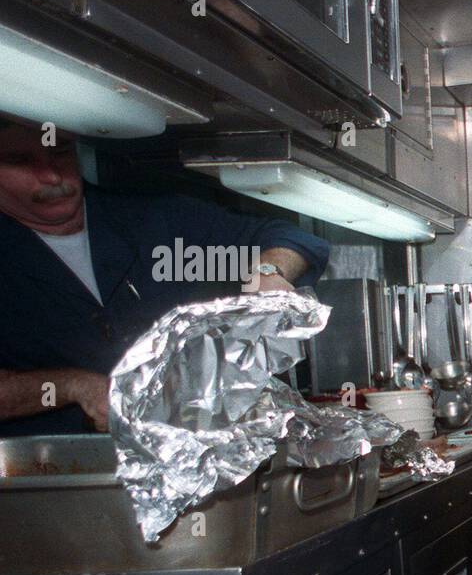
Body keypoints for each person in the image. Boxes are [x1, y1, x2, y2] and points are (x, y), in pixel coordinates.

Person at [0, 116, 330, 435]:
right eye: (19, 161)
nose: (51, 177)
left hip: (193, 456)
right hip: (53, 475)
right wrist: (72, 386)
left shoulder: (156, 226)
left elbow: (288, 238)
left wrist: (267, 271)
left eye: (59, 152)